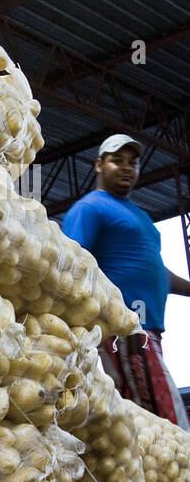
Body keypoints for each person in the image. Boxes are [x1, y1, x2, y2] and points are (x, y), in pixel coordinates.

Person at [63, 134, 190, 428]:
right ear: (98, 165)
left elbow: (156, 271)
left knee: (142, 419)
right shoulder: (91, 208)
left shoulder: (140, 217)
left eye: (132, 163)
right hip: (127, 329)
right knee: (166, 419)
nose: (126, 168)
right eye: (116, 160)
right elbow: (71, 263)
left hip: (148, 328)